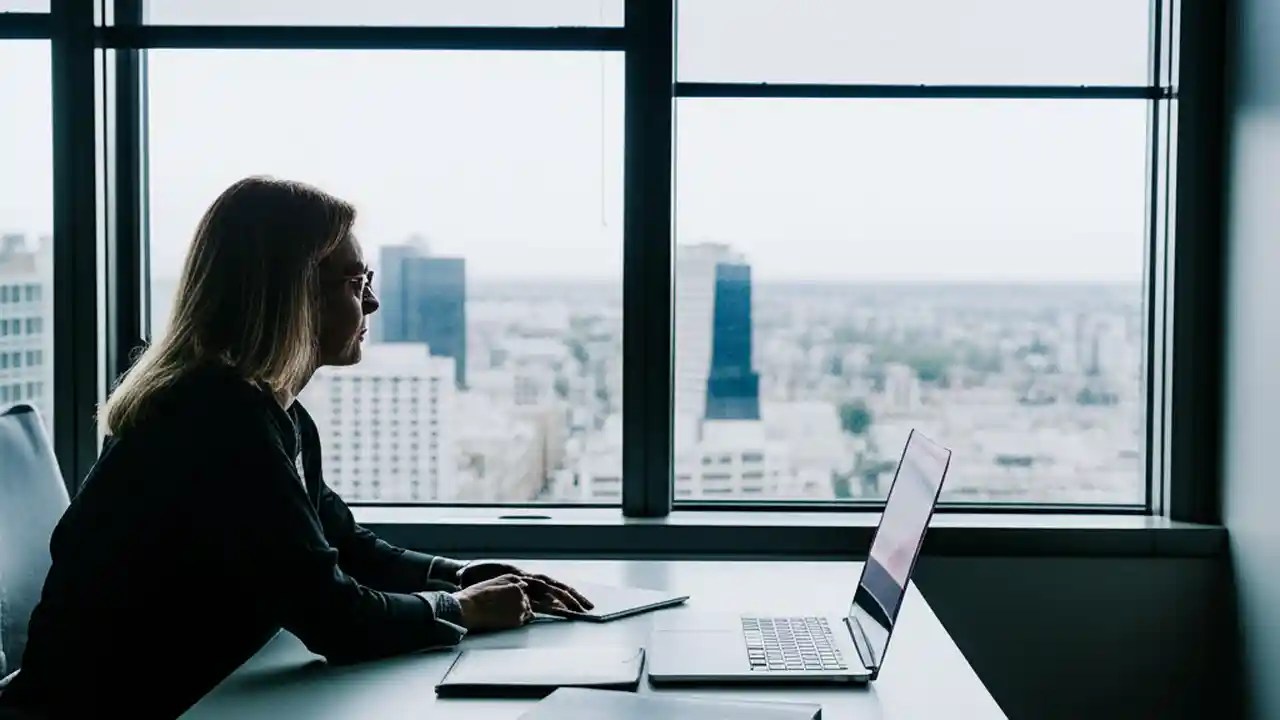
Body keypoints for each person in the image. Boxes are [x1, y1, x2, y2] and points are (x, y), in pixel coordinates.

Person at [0, 176, 592, 719]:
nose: (373, 304)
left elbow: (341, 544)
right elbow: (335, 618)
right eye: (355, 282)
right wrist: (460, 609)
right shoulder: (217, 421)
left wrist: (458, 574)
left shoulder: (272, 412)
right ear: (289, 293)